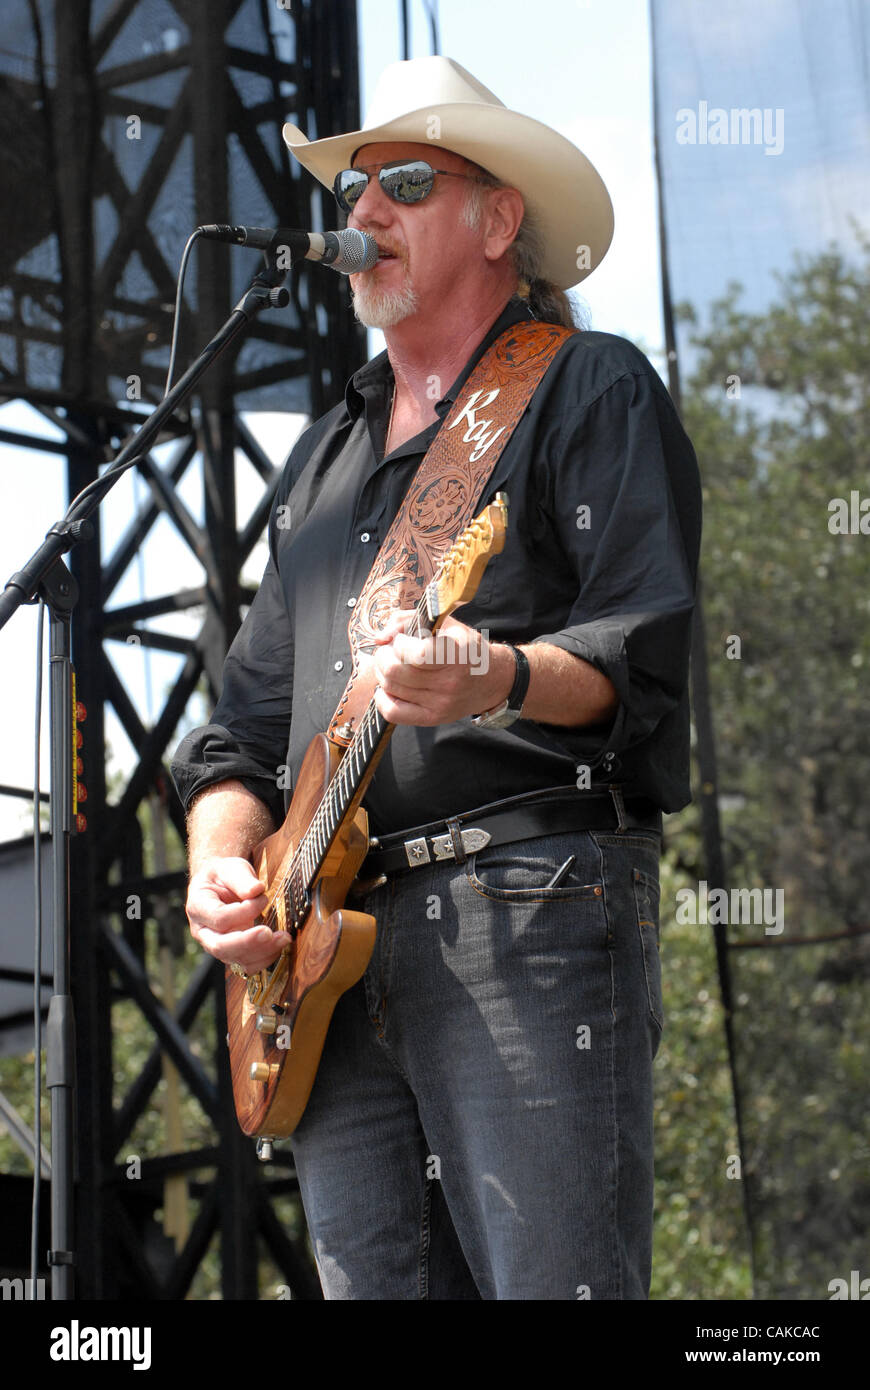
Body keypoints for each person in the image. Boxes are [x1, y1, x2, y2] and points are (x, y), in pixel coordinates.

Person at [171, 55, 702, 1300]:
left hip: (528, 905)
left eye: (402, 182)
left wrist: (502, 677)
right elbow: (239, 739)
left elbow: (647, 657)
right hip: (325, 962)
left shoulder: (588, 385)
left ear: (500, 217)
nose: (362, 214)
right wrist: (220, 862)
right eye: (355, 191)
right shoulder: (325, 455)